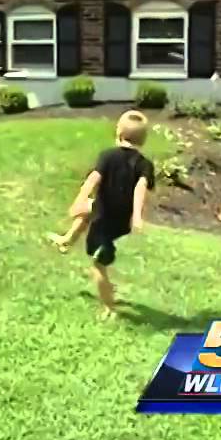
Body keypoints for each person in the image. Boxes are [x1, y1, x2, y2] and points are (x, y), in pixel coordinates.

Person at [48, 110, 156, 321]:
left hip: (105, 220)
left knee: (99, 265)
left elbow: (92, 180)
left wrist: (79, 199)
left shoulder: (108, 156)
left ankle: (110, 308)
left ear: (118, 132)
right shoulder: (144, 164)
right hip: (119, 219)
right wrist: (136, 216)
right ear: (143, 139)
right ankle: (67, 240)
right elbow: (140, 189)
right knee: (89, 209)